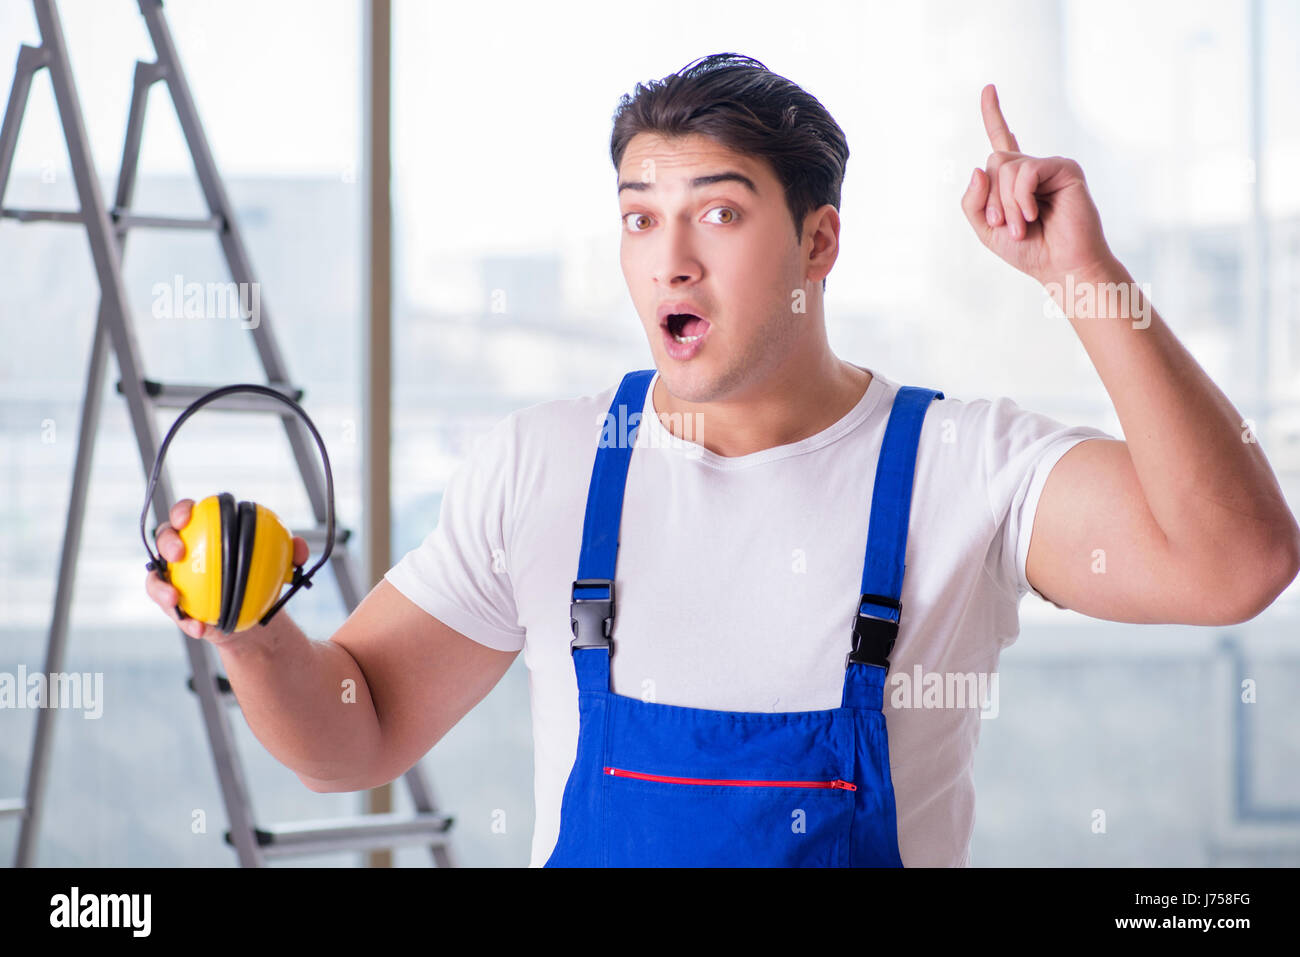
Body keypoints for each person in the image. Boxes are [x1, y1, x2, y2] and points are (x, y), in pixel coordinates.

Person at [146, 53, 1300, 867]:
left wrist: (1079, 279)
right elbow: (354, 734)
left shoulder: (961, 467)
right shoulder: (548, 463)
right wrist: (252, 631)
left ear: (819, 240)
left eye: (719, 214)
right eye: (639, 217)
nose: (669, 260)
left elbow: (1233, 563)